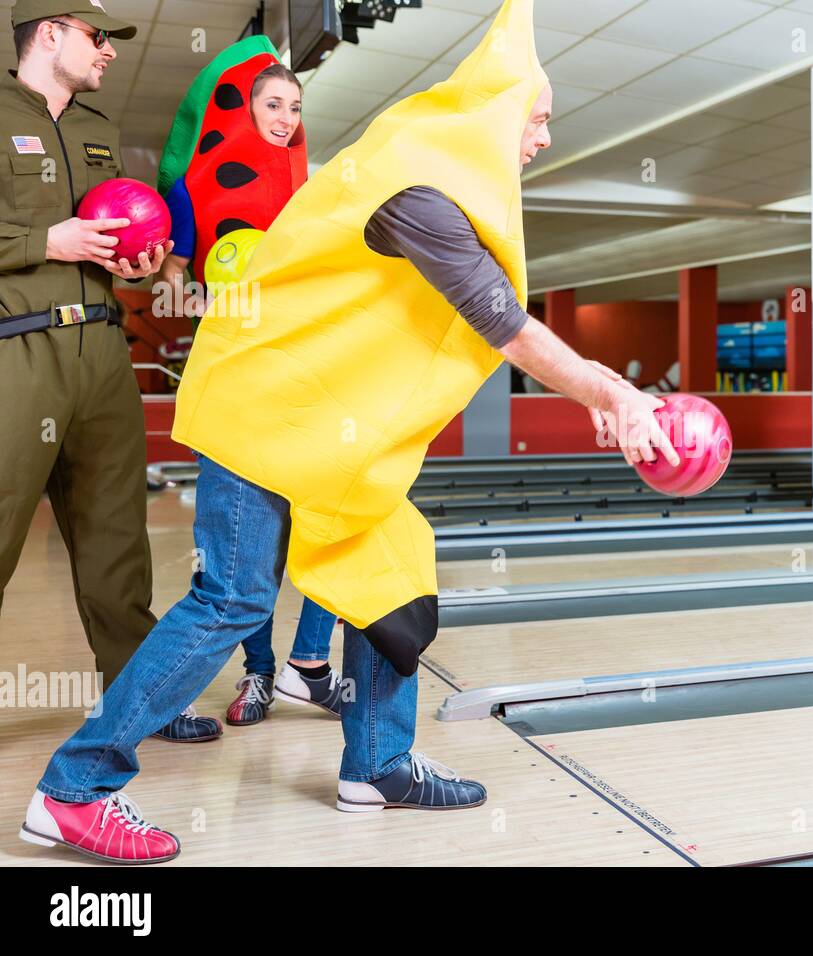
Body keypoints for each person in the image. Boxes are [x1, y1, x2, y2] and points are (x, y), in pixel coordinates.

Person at [19, 0, 678, 865]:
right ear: (494, 112)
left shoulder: (442, 183)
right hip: (267, 410)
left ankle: (378, 763)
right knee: (236, 599)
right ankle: (73, 791)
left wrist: (602, 393)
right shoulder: (419, 189)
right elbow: (500, 321)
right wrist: (612, 393)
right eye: (539, 117)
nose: (542, 138)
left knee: (392, 569)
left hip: (326, 428)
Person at [0, 0, 219, 744]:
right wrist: (45, 239)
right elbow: (53, 241)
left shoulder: (99, 131)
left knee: (117, 546)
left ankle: (139, 705)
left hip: (104, 351)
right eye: (99, 38)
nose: (111, 53)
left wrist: (140, 262)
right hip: (18, 352)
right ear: (50, 32)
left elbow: (108, 244)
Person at [154, 42, 341, 727]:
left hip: (305, 373)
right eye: (273, 104)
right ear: (243, 107)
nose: (286, 118)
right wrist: (200, 300)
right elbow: (168, 285)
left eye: (295, 107)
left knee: (329, 524)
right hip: (233, 378)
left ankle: (310, 665)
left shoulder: (309, 193)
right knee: (245, 551)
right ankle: (258, 674)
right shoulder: (192, 190)